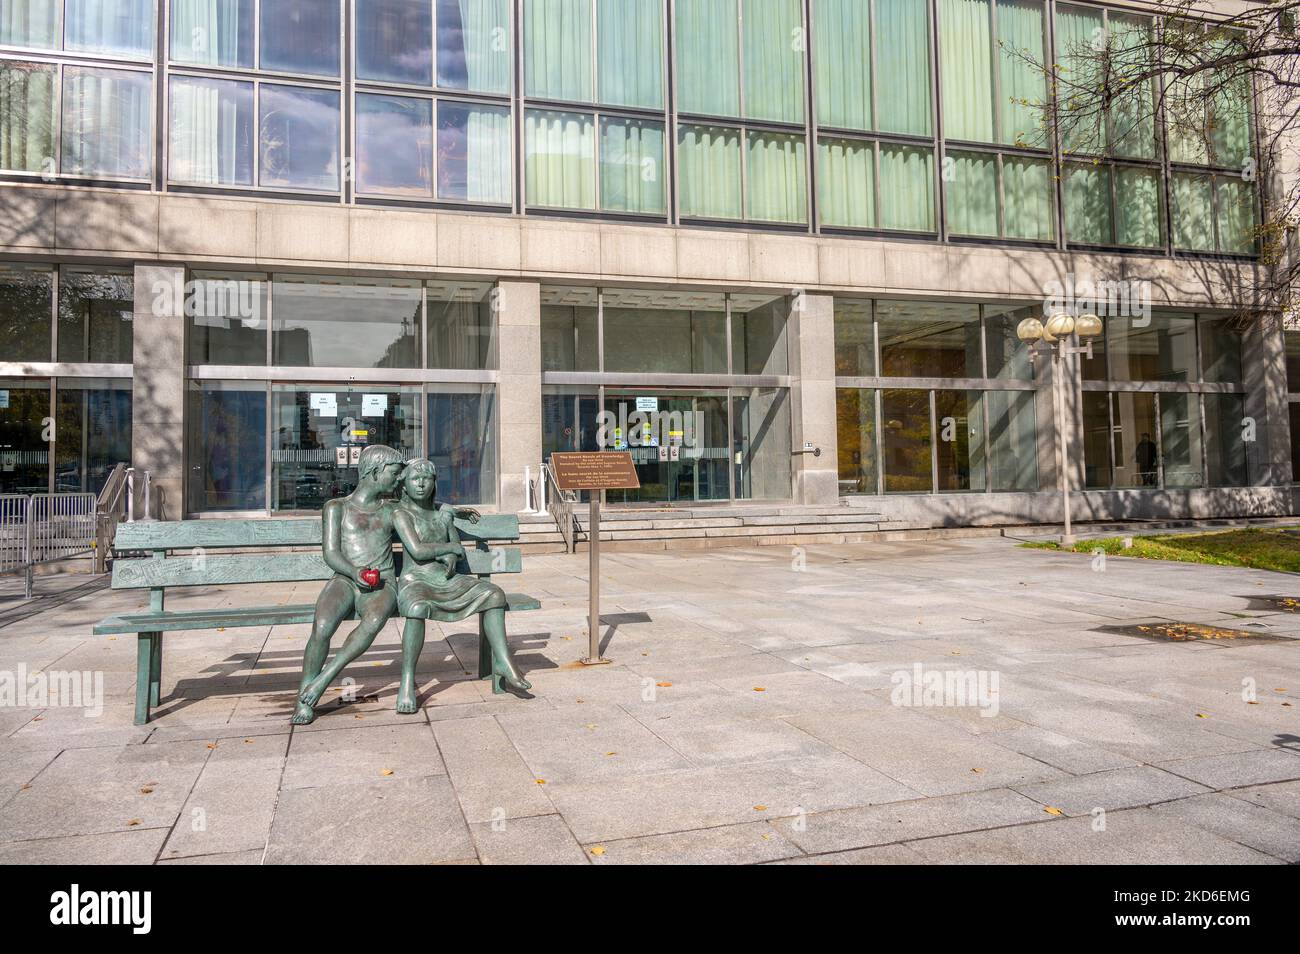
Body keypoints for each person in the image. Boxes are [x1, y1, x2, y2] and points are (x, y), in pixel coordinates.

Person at [391, 458, 531, 712]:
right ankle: (407, 680)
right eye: (414, 479)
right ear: (404, 485)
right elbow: (418, 550)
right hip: (416, 581)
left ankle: (503, 662)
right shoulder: (401, 514)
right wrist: (447, 549)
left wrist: (452, 554)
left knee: (494, 594)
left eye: (426, 479)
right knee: (417, 608)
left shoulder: (442, 515)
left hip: (446, 579)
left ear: (434, 483)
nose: (420, 484)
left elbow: (457, 548)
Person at [291, 444, 405, 725]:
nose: (398, 479)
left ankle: (321, 681)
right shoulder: (336, 507)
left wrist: (452, 512)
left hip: (382, 582)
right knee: (322, 626)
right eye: (394, 473)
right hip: (345, 578)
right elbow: (331, 553)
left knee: (374, 620)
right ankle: (303, 695)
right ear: (375, 471)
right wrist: (354, 572)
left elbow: (427, 509)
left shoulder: (392, 509)